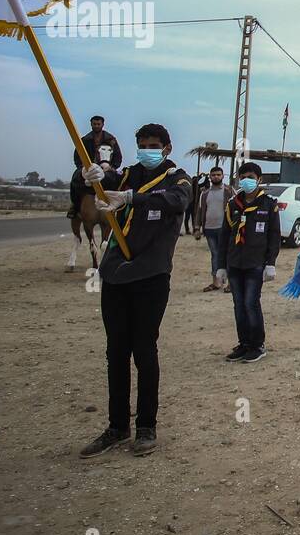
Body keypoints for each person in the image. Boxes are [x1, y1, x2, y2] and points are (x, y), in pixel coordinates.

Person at [77, 122, 191, 459]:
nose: (147, 150)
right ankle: (116, 426)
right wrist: (95, 174)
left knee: (144, 350)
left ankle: (146, 426)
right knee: (116, 352)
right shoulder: (128, 174)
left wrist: (131, 198)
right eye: (142, 144)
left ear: (167, 148)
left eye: (153, 145)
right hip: (115, 274)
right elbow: (108, 181)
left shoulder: (178, 179)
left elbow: (175, 201)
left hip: (150, 276)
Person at [215, 162, 280, 363]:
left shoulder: (268, 204)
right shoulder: (233, 204)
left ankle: (257, 345)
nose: (246, 180)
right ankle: (244, 343)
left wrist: (271, 263)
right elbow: (224, 236)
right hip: (235, 262)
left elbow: (274, 236)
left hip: (255, 262)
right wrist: (220, 265)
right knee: (238, 305)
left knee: (251, 303)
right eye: (243, 176)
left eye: (250, 176)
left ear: (259, 179)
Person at [68, 115, 122, 218]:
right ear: (91, 124)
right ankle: (74, 206)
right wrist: (82, 168)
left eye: (98, 124)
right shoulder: (84, 140)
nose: (96, 126)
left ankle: (120, 208)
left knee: (119, 181)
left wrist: (112, 167)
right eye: (94, 124)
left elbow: (118, 157)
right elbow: (77, 156)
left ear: (102, 125)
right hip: (88, 170)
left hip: (106, 169)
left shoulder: (111, 140)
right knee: (74, 180)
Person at [194, 166, 232, 291]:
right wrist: (197, 228)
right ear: (210, 177)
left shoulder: (229, 191)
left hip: (225, 229)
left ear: (222, 176)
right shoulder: (204, 194)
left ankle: (230, 283)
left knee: (227, 255)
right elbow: (199, 211)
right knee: (215, 255)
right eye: (213, 175)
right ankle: (216, 282)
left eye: (218, 174)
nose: (216, 177)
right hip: (209, 229)